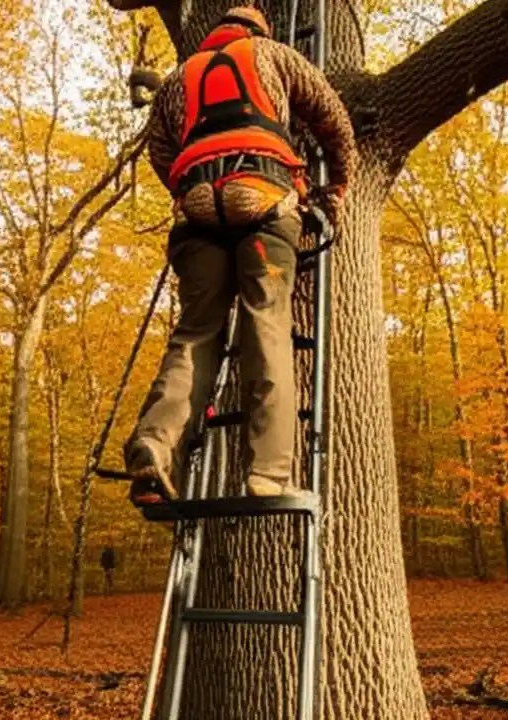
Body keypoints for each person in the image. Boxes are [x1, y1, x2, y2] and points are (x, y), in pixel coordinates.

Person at [124, 6, 357, 506]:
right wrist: (335, 187)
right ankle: (269, 474)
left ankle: (156, 445)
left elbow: (160, 151)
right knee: (266, 323)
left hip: (198, 209)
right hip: (264, 197)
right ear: (258, 32)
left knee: (195, 332)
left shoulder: (178, 80)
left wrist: (192, 188)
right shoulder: (275, 54)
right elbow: (334, 119)